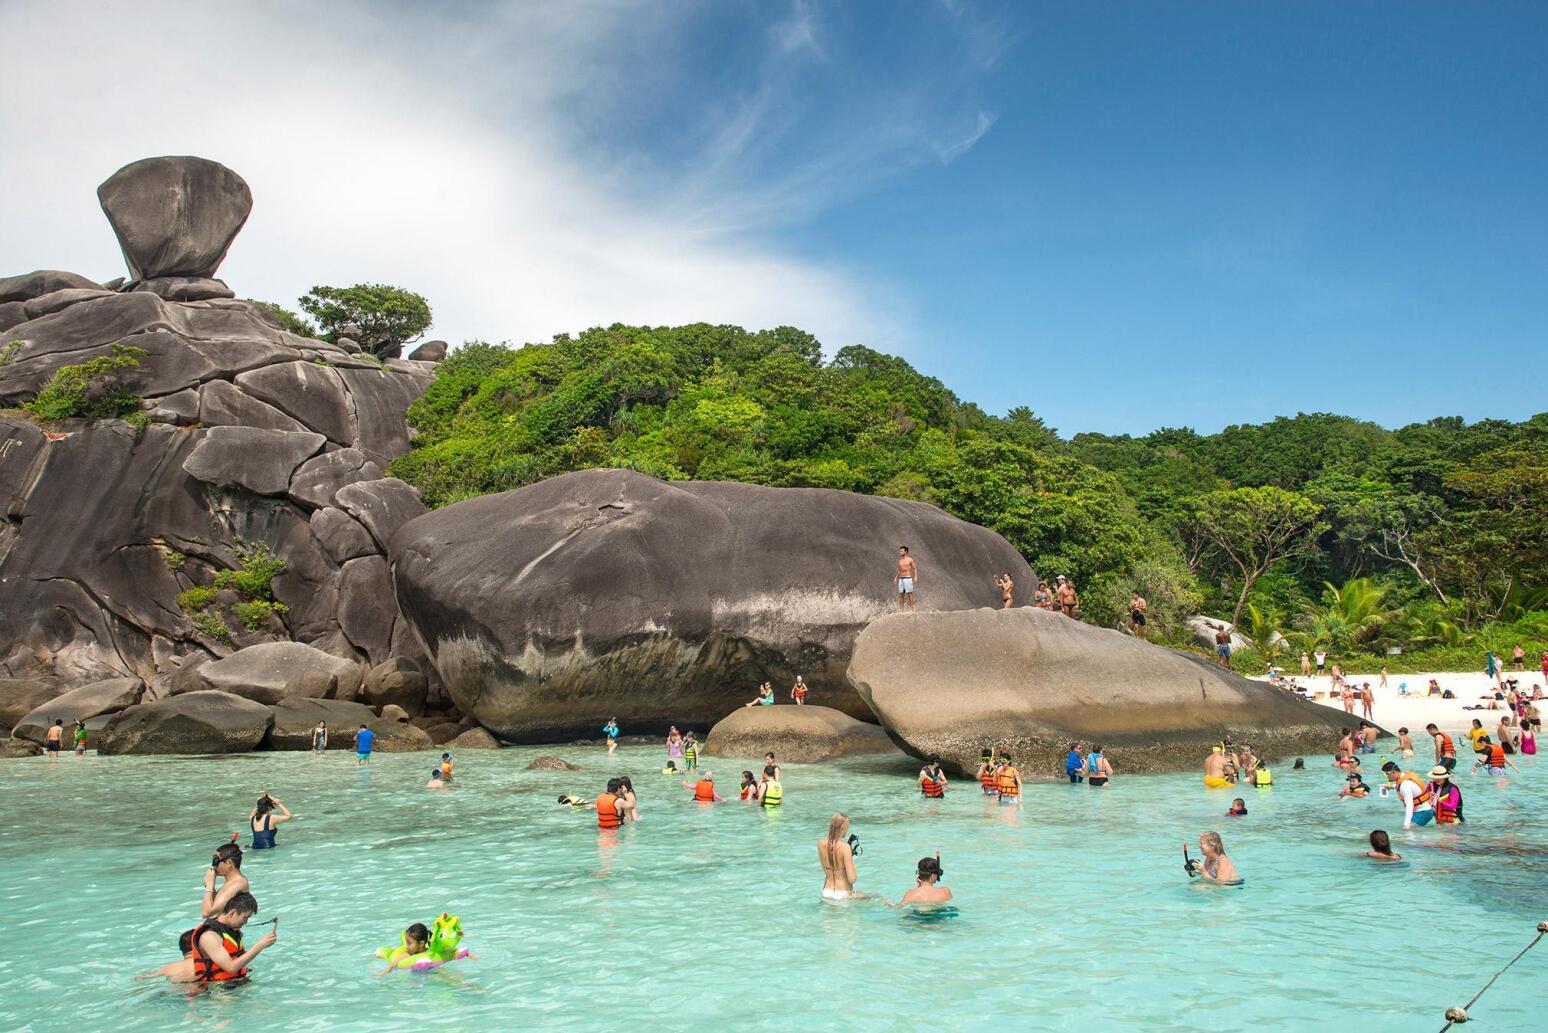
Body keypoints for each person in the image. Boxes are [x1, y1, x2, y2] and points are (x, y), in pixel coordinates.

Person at [139, 892, 276, 982]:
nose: (245, 922)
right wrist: (260, 945)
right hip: (218, 991)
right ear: (232, 913)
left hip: (234, 983)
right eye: (245, 917)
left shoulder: (232, 931)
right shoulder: (210, 936)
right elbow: (231, 968)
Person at [202, 842, 250, 918]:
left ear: (229, 863)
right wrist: (211, 885)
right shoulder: (231, 882)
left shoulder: (238, 884)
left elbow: (206, 913)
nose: (213, 865)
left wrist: (209, 885)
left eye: (216, 861)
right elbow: (214, 906)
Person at [818, 813, 860, 900]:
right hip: (843, 894)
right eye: (847, 826)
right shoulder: (845, 847)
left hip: (826, 892)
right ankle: (894, 906)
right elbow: (852, 879)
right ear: (843, 828)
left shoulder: (820, 844)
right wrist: (853, 863)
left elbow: (826, 871)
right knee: (876, 896)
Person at [1381, 761, 1434, 829]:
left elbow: (1409, 805)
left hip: (1423, 812)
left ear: (1393, 772)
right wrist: (1392, 787)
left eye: (1386, 774)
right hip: (1426, 810)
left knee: (1407, 833)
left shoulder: (1404, 785)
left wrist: (1406, 824)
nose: (1387, 777)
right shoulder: (1406, 776)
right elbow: (1410, 788)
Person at [895, 545, 919, 613]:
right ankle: (901, 610)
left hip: (908, 578)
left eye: (901, 551)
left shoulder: (910, 559)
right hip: (901, 579)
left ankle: (911, 609)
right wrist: (896, 578)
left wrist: (916, 576)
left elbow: (914, 568)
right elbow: (900, 570)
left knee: (909, 594)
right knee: (901, 594)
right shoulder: (900, 561)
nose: (900, 552)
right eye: (900, 551)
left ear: (905, 552)